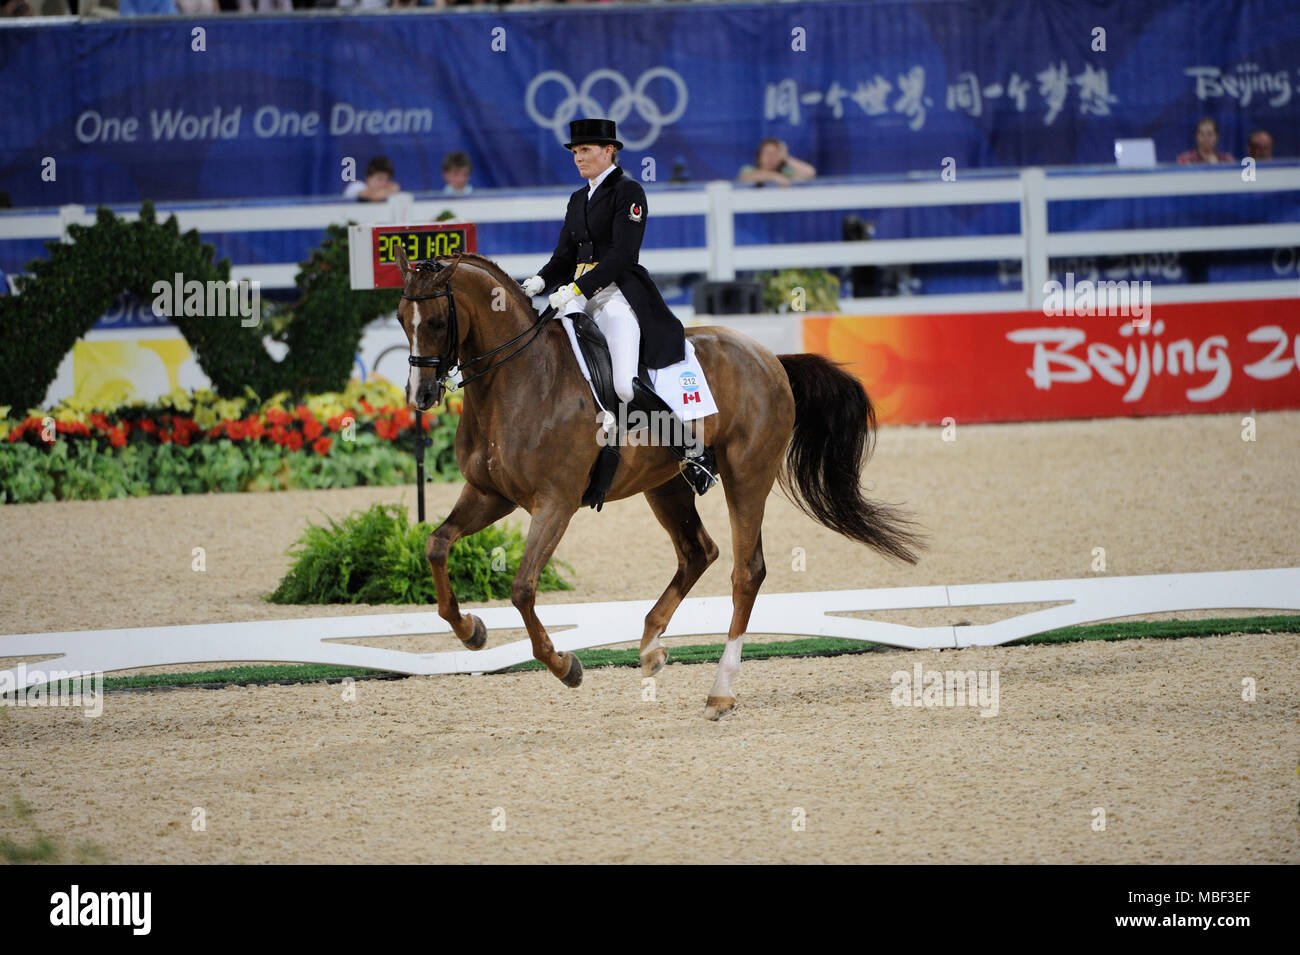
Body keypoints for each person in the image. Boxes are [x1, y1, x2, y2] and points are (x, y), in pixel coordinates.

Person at [520, 117, 717, 495]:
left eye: (586, 151)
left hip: (615, 295)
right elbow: (563, 254)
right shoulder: (578, 198)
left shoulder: (629, 191)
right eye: (575, 152)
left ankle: (693, 451)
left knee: (625, 384)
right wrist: (541, 281)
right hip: (576, 296)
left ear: (609, 150)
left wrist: (578, 287)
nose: (579, 158)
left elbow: (622, 256)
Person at [737, 138, 816, 186]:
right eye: (767, 153)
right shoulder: (749, 170)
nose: (771, 158)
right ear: (759, 156)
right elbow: (746, 177)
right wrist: (773, 177)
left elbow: (809, 173)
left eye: (775, 154)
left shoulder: (785, 173)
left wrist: (786, 157)